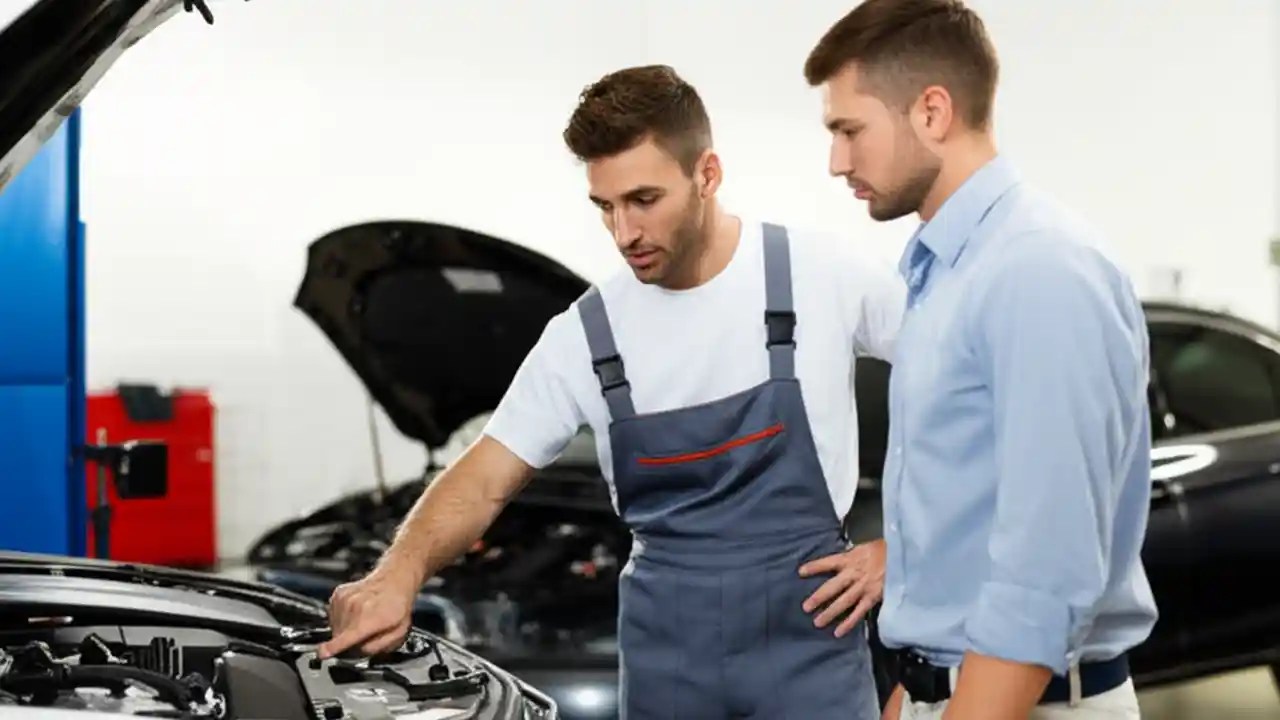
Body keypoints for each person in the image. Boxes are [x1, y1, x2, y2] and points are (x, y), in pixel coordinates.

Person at [315, 64, 906, 718]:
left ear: (707, 174)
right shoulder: (586, 335)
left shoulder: (821, 277)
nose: (624, 232)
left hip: (812, 650)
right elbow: (483, 477)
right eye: (605, 206)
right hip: (667, 662)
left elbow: (978, 390)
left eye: (644, 200)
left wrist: (907, 549)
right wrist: (396, 573)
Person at [801, 1, 1158, 719]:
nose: (837, 160)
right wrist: (917, 690)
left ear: (933, 112)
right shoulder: (946, 271)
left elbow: (1044, 574)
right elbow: (965, 519)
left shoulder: (1039, 270)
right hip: (954, 689)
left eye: (849, 130)